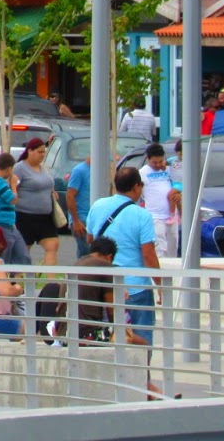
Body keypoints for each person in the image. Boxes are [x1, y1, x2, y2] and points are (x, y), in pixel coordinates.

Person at [85, 166, 163, 397]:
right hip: (136, 286)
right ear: (137, 186)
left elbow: (91, 239)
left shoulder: (98, 206)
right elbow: (148, 254)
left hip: (106, 286)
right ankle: (143, 384)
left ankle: (123, 384)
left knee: (113, 335)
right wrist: (160, 286)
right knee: (141, 338)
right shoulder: (141, 214)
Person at [14, 137, 61, 266]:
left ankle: (51, 281)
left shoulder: (43, 167)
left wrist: (52, 192)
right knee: (24, 250)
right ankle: (17, 279)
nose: (42, 155)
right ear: (30, 151)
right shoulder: (20, 168)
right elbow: (12, 188)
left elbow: (47, 183)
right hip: (25, 216)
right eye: (39, 152)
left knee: (53, 245)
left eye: (44, 152)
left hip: (45, 216)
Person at [70, 236, 119, 343]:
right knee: (141, 343)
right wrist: (120, 331)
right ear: (109, 257)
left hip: (64, 333)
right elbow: (112, 310)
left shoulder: (77, 264)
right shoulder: (106, 267)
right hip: (87, 334)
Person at [139, 141, 182, 260]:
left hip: (172, 217)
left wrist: (180, 196)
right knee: (160, 251)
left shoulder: (169, 168)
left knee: (173, 249)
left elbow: (180, 184)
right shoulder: (142, 173)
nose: (158, 165)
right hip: (154, 217)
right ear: (148, 159)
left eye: (160, 161)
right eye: (154, 162)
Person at [0, 152, 30, 266]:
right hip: (0, 223)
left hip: (9, 224)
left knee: (22, 255)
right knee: (5, 255)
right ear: (9, 168)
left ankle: (15, 276)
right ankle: (2, 279)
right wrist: (13, 185)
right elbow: (12, 200)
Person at [65, 151, 94, 259]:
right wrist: (75, 221)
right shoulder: (79, 171)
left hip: (93, 217)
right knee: (85, 253)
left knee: (91, 252)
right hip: (81, 218)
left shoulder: (99, 171)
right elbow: (70, 195)